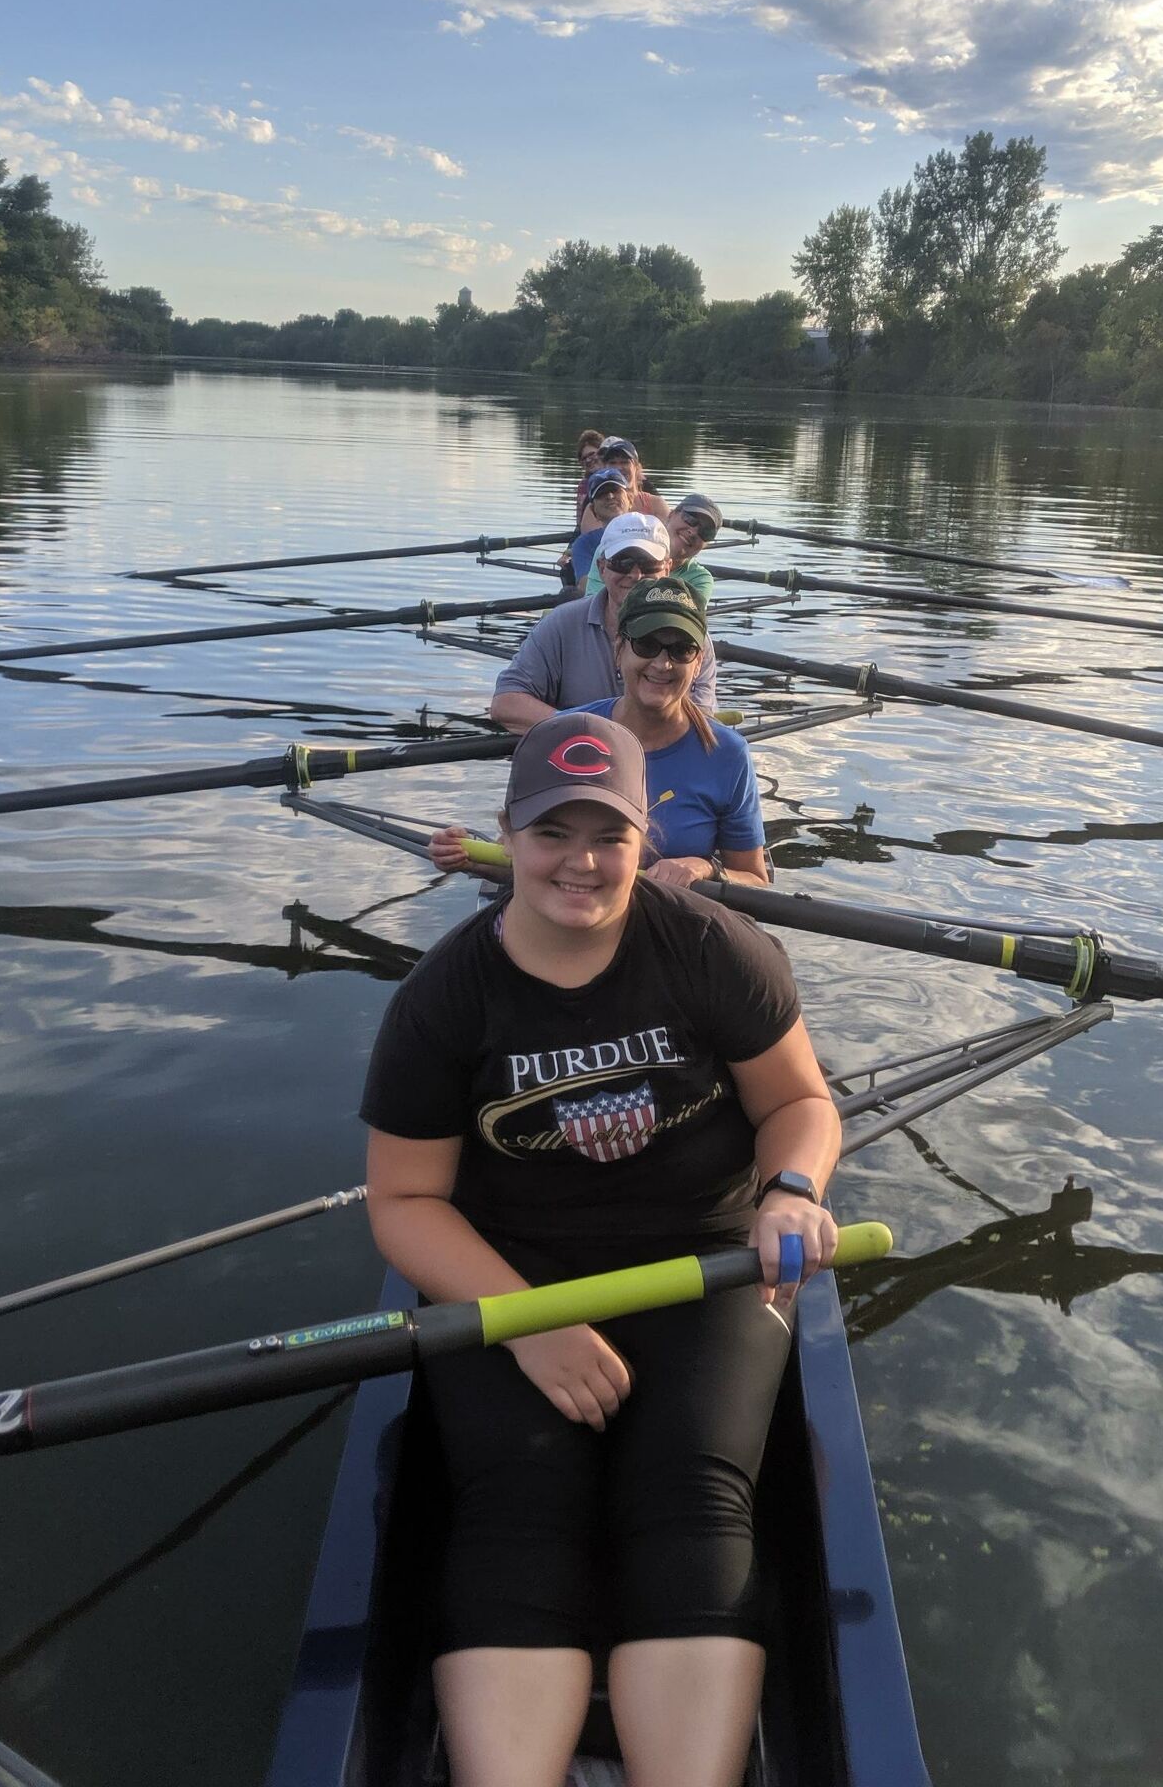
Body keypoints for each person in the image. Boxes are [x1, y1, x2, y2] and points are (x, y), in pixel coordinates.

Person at [360, 712, 840, 1787]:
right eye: (552, 831)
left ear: (643, 834)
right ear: (507, 834)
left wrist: (794, 1190)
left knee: (696, 1495)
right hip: (513, 1273)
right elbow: (402, 1200)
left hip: (707, 1260)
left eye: (608, 833)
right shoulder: (443, 999)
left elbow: (801, 1102)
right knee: (517, 1507)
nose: (580, 860)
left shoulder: (716, 946)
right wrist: (527, 1320)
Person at [436, 576, 766, 890]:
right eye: (647, 645)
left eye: (681, 650)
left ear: (698, 664)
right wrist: (469, 857)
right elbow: (520, 855)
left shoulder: (727, 753)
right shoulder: (566, 733)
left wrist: (706, 868)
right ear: (619, 650)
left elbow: (756, 880)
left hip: (672, 924)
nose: (663, 664)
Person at [491, 514, 719, 730]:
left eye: (649, 565)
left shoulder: (692, 638)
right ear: (601, 569)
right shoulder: (560, 624)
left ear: (667, 569)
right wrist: (590, 730)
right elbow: (506, 703)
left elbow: (704, 722)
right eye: (623, 562)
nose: (636, 575)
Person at [583, 489, 720, 604]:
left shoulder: (700, 579)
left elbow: (684, 617)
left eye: (705, 532)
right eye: (691, 519)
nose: (693, 532)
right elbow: (594, 603)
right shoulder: (612, 549)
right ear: (671, 514)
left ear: (667, 568)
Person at [576, 437, 669, 528]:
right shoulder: (595, 507)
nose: (618, 468)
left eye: (624, 462)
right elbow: (592, 540)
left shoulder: (656, 504)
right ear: (605, 467)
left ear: (636, 466)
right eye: (612, 463)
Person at [569, 466, 630, 586]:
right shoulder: (584, 544)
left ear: (630, 499)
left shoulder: (650, 532)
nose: (610, 496)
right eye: (602, 493)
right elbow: (585, 586)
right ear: (593, 510)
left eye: (615, 490)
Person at [573, 429, 606, 523]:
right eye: (584, 458)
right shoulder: (584, 486)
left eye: (591, 454)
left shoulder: (621, 478)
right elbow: (580, 522)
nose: (588, 460)